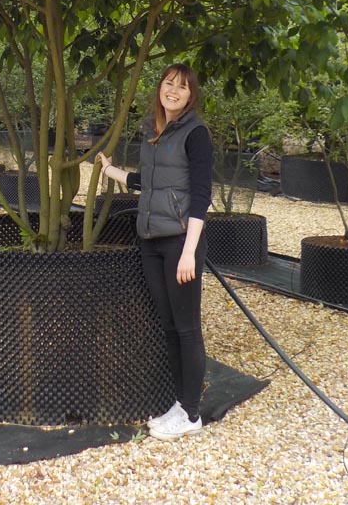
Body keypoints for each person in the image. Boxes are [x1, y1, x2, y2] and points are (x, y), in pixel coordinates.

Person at [98, 63, 213, 440]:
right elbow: (147, 183)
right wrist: (111, 171)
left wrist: (189, 253)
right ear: (160, 89)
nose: (174, 91)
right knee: (168, 327)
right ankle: (179, 404)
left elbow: (201, 197)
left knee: (187, 328)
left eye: (182, 87)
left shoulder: (195, 134)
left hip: (180, 242)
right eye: (168, 84)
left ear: (190, 94)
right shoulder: (156, 132)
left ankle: (191, 414)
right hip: (151, 241)